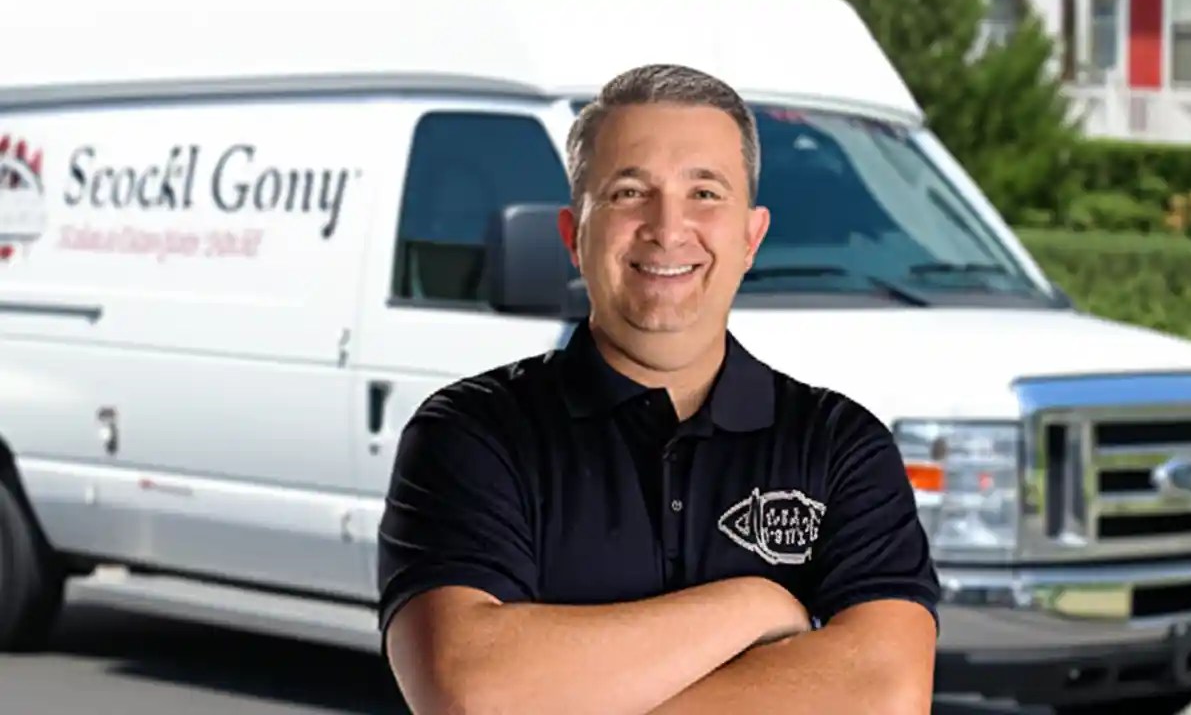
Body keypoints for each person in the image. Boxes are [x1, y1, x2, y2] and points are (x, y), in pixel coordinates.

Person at [378, 63, 941, 714]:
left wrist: (577, 692)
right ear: (573, 237)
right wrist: (755, 602)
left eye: (705, 194)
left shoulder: (841, 445)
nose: (668, 228)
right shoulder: (471, 434)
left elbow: (888, 692)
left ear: (751, 236)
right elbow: (473, 695)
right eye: (627, 193)